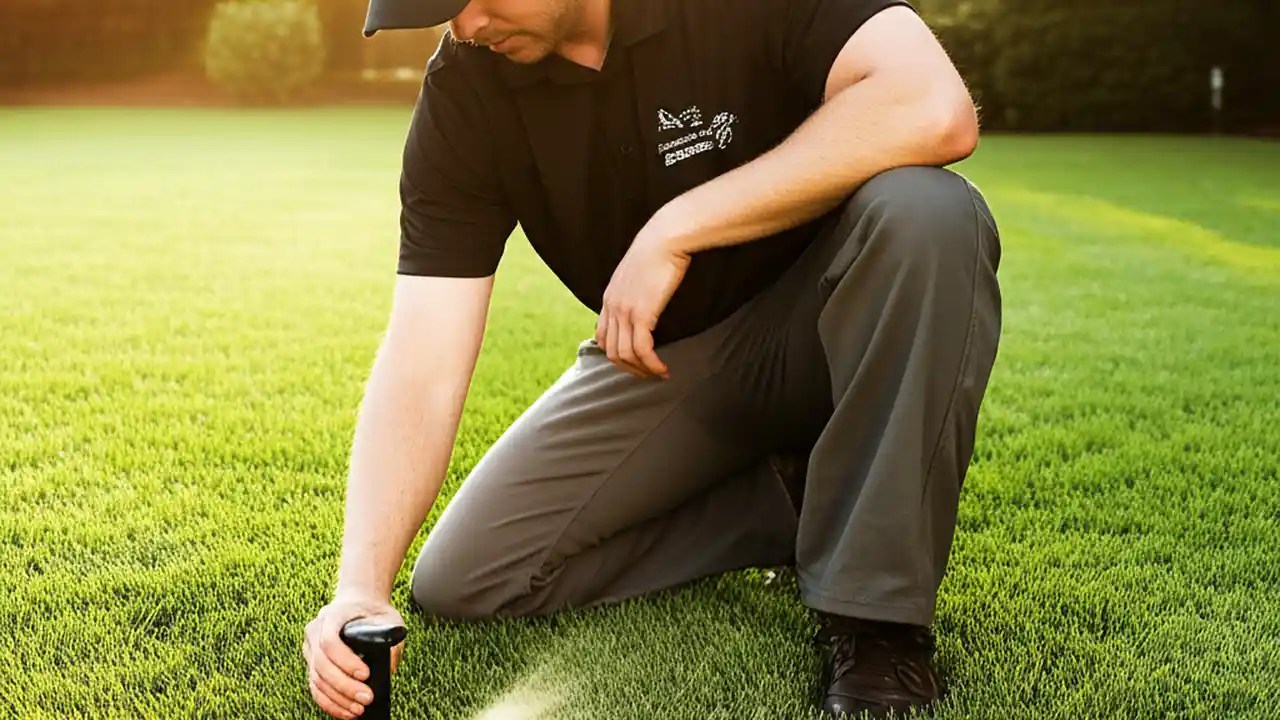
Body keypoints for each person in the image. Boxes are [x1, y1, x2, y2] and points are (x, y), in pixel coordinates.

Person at [301, 0, 1002, 717]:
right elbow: (424, 350)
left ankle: (878, 626)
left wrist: (679, 226)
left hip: (833, 320)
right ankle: (798, 498)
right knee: (467, 575)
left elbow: (933, 105)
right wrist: (358, 585)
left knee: (930, 211)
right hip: (669, 362)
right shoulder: (467, 90)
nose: (467, 25)